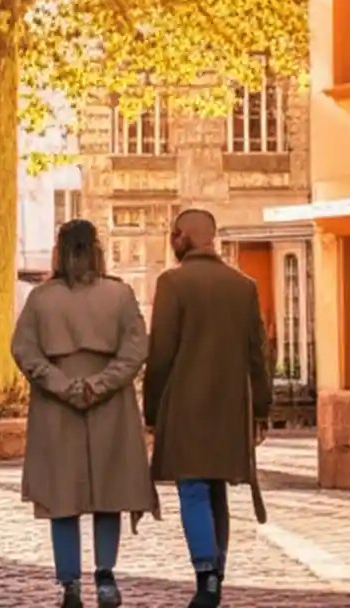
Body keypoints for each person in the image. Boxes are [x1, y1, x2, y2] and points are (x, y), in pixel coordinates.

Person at [12, 219, 159, 608]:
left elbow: (26, 352)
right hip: (107, 402)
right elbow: (135, 350)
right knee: (105, 492)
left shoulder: (42, 299)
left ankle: (71, 582)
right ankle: (102, 577)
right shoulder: (119, 295)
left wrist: (64, 385)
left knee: (64, 494)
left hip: (58, 404)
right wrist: (100, 383)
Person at [144, 208, 273, 608]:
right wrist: (261, 409)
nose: (171, 239)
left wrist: (151, 412)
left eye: (173, 233)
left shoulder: (173, 283)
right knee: (216, 490)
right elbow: (258, 355)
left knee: (194, 489)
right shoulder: (243, 285)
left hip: (185, 404)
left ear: (184, 236)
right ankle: (217, 573)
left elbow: (160, 354)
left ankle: (206, 574)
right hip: (230, 407)